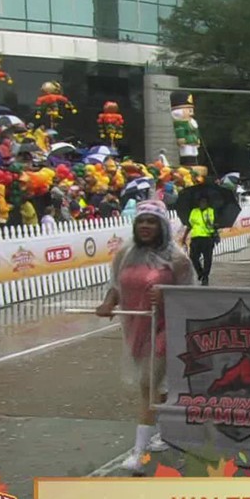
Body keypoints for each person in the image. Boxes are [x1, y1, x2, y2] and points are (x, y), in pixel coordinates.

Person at [95, 201, 194, 474]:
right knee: (153, 384)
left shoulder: (177, 260)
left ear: (162, 226)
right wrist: (108, 304)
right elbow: (115, 285)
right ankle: (163, 430)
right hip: (136, 327)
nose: (146, 226)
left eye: (152, 221)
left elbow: (191, 296)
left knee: (148, 383)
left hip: (165, 327)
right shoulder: (125, 254)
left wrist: (167, 294)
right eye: (141, 221)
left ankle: (138, 453)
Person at [182, 195, 218, 286]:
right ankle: (200, 273)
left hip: (207, 238)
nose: (202, 203)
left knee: (207, 259)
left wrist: (213, 225)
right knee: (193, 257)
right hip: (196, 238)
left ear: (207, 203)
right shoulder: (194, 211)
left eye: (204, 202)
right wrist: (184, 237)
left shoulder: (211, 211)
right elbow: (190, 225)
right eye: (201, 202)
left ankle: (205, 277)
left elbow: (217, 224)